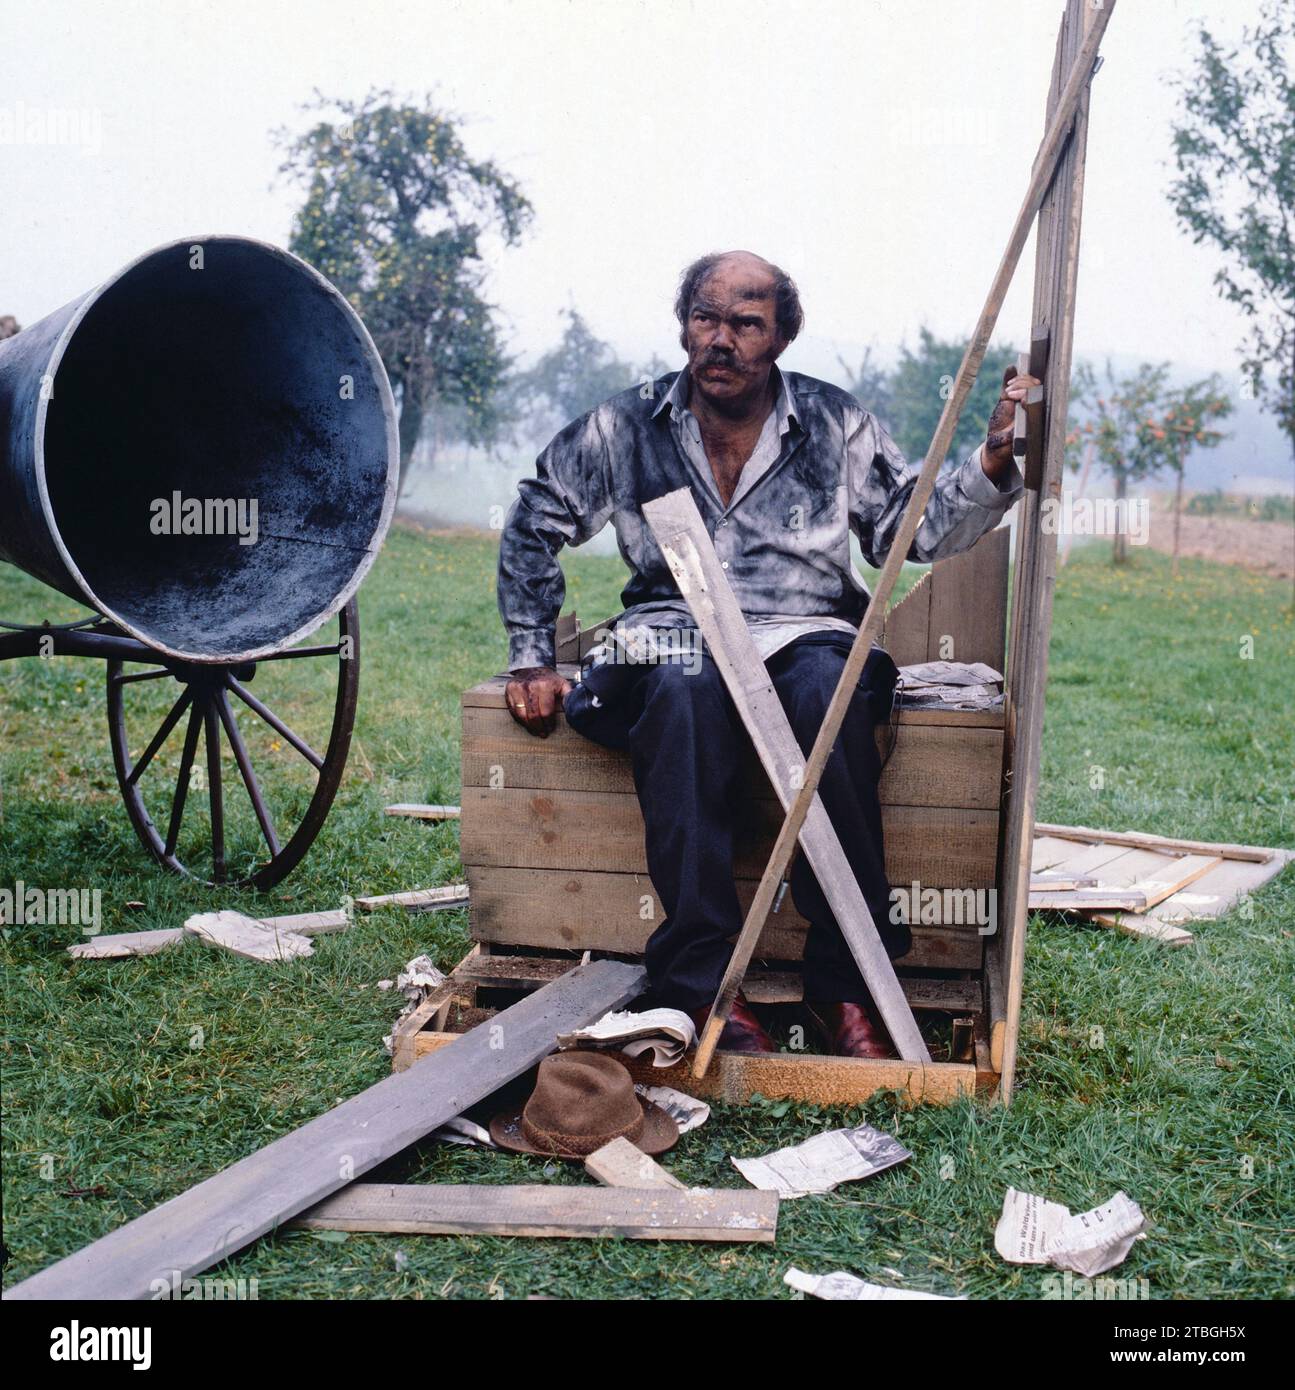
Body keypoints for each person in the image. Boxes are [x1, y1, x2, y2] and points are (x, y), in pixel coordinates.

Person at [496, 250, 1035, 1057]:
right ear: (684, 324)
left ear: (780, 337)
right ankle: (700, 989)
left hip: (801, 629)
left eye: (745, 323)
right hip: (672, 631)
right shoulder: (624, 424)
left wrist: (993, 460)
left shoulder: (833, 421)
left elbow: (910, 528)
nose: (720, 340)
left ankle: (845, 989)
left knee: (829, 686)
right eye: (704, 318)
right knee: (683, 686)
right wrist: (533, 654)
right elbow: (537, 515)